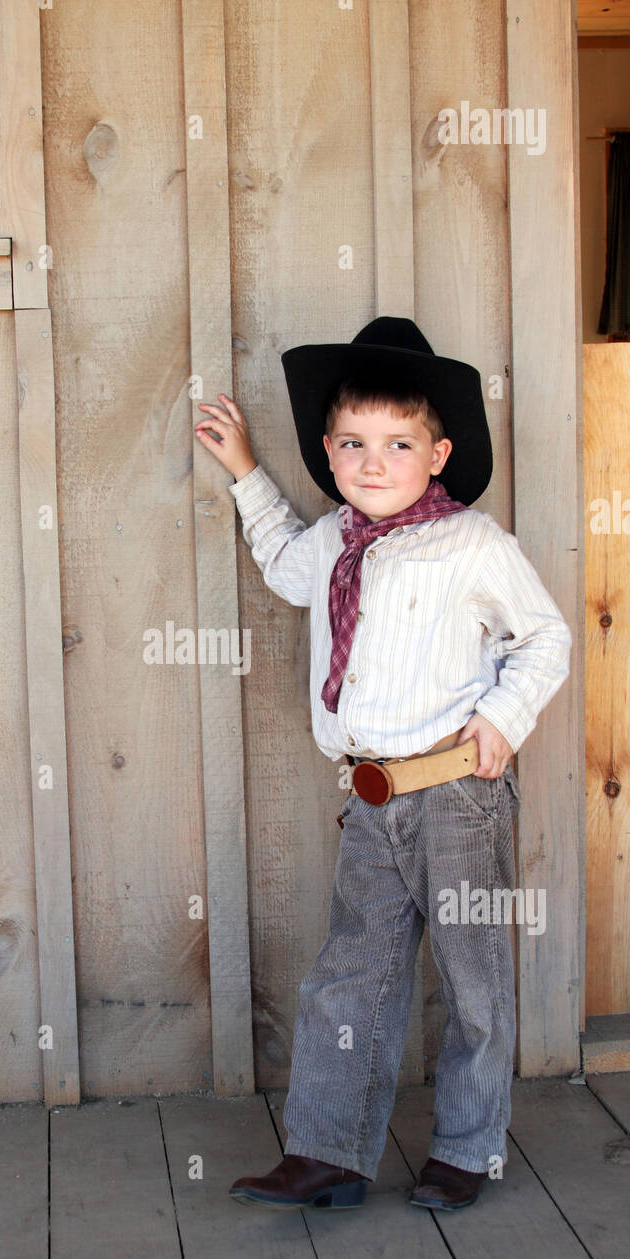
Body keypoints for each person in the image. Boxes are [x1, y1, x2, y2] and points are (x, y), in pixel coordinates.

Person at [194, 317, 572, 1212]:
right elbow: (287, 568)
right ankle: (329, 1152)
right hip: (371, 799)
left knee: (473, 976)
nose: (373, 463)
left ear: (437, 453)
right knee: (349, 974)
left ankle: (468, 1149)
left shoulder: (474, 545)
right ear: (328, 452)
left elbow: (547, 637)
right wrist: (247, 472)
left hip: (457, 795)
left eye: (398, 444)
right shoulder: (333, 540)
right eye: (354, 444)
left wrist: (503, 717)